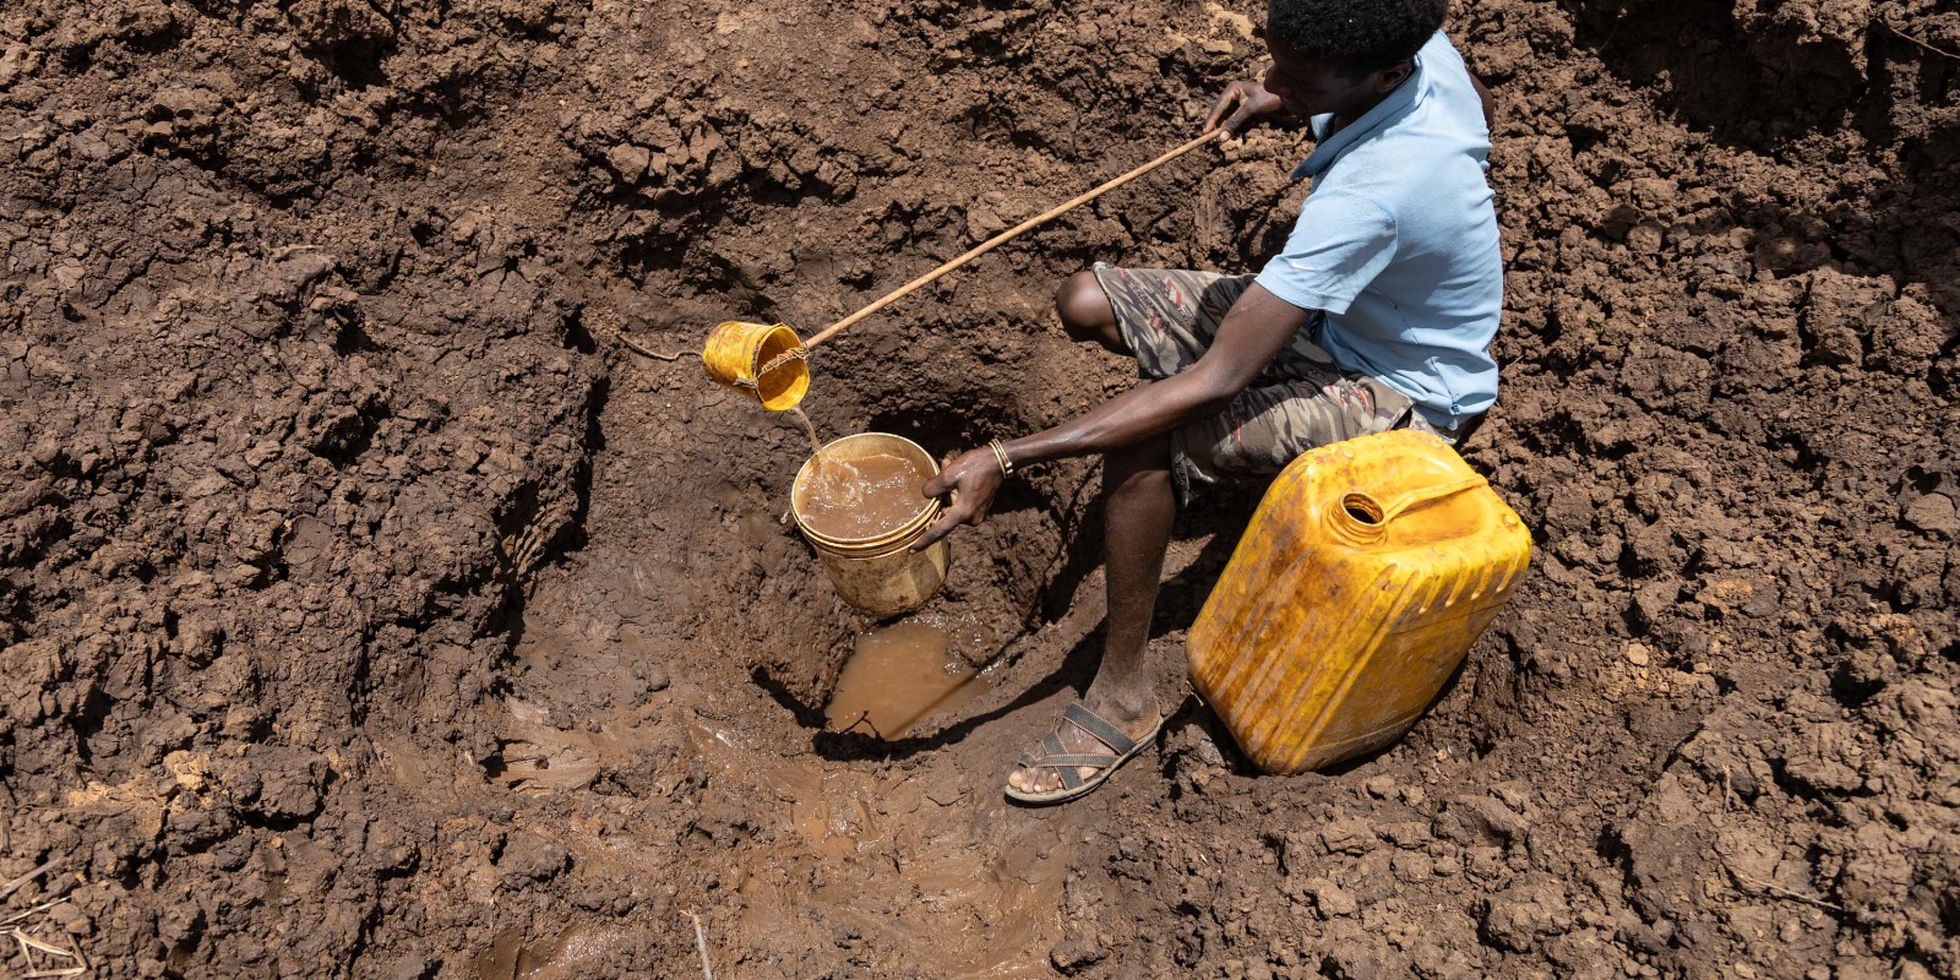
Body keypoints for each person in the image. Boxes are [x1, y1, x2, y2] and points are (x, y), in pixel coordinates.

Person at [913, 0, 1503, 804]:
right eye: (1274, 64)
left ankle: (1121, 698)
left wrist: (1008, 455)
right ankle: (1231, 464)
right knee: (1088, 299)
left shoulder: (1374, 194)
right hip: (1339, 318)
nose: (1273, 83)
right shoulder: (1415, 50)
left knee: (1143, 445)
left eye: (1296, 76)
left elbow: (1217, 381)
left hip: (1399, 388)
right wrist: (1288, 95)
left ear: (1387, 74)